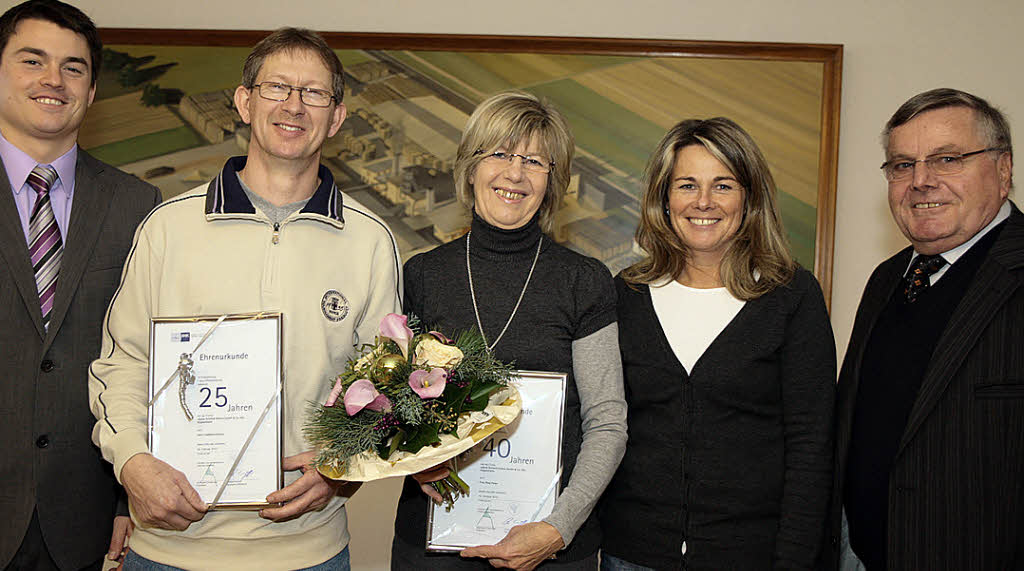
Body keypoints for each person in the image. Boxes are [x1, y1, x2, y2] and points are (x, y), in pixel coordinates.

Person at [88, 28, 401, 570]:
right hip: (168, 549)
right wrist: (133, 463)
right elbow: (123, 366)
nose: (294, 106)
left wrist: (339, 468)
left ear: (337, 116)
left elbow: (382, 388)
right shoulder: (168, 228)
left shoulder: (370, 240)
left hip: (309, 552)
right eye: (277, 87)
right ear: (244, 101)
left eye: (315, 93)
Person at [391, 90, 627, 570]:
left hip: (554, 551)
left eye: (535, 161)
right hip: (435, 540)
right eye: (499, 153)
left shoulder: (584, 281)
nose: (514, 174)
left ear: (552, 182)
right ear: (471, 166)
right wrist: (416, 457)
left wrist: (558, 528)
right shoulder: (421, 275)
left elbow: (607, 422)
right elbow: (390, 399)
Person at [601, 118, 836, 570]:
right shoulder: (625, 294)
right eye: (687, 184)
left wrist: (795, 559)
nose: (703, 201)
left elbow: (812, 444)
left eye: (723, 185)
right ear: (664, 199)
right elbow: (599, 422)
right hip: (631, 556)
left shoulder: (791, 296)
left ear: (748, 199)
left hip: (752, 557)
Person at [825, 88, 1023, 570]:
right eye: (901, 165)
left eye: (947, 159)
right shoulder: (889, 278)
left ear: (1003, 170)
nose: (920, 181)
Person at [0, 1, 161, 569]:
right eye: (32, 60)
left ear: (92, 91)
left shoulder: (140, 206)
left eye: (74, 68)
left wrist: (128, 491)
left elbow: (149, 358)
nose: (53, 80)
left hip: (85, 514)